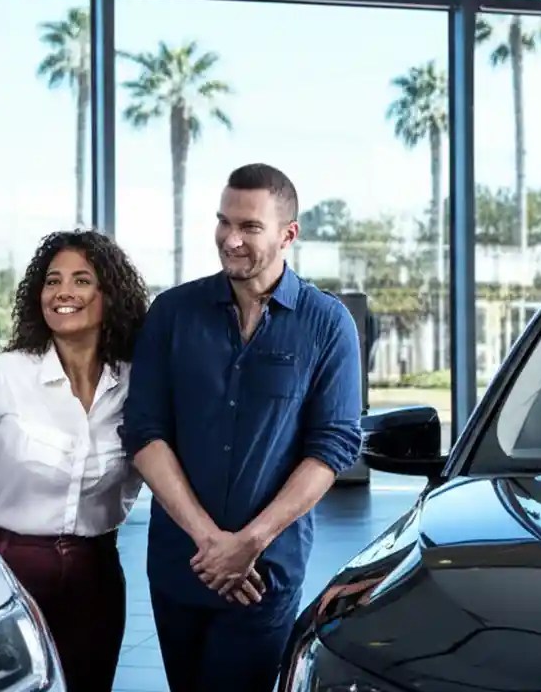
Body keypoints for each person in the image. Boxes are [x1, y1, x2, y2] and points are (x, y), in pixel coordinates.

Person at [119, 163, 363, 691]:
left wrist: (250, 542)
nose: (231, 239)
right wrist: (210, 541)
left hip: (263, 576)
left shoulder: (327, 324)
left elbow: (333, 446)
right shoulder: (172, 314)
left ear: (288, 234)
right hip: (181, 565)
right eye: (223, 222)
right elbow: (143, 430)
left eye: (250, 227)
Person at [0, 229, 150, 692]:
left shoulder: (134, 385)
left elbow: (138, 471)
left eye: (81, 280)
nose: (63, 293)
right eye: (52, 281)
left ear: (110, 295)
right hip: (6, 568)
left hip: (96, 574)